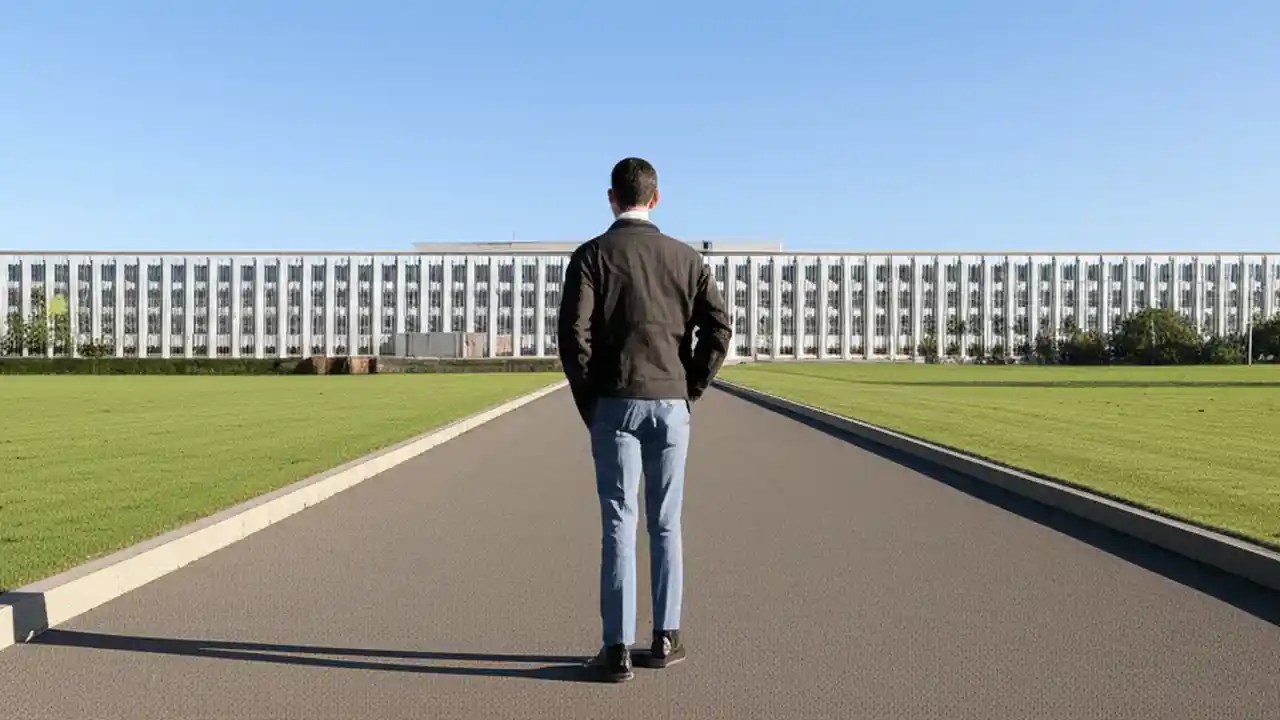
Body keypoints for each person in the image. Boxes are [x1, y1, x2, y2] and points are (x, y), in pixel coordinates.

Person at [557, 157, 733, 682]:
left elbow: (573, 335)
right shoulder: (686, 259)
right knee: (666, 521)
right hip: (670, 402)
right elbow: (719, 328)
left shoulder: (592, 256)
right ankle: (666, 636)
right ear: (655, 198)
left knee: (619, 521)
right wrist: (690, 387)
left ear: (612, 197)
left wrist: (590, 401)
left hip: (615, 402)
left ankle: (616, 649)